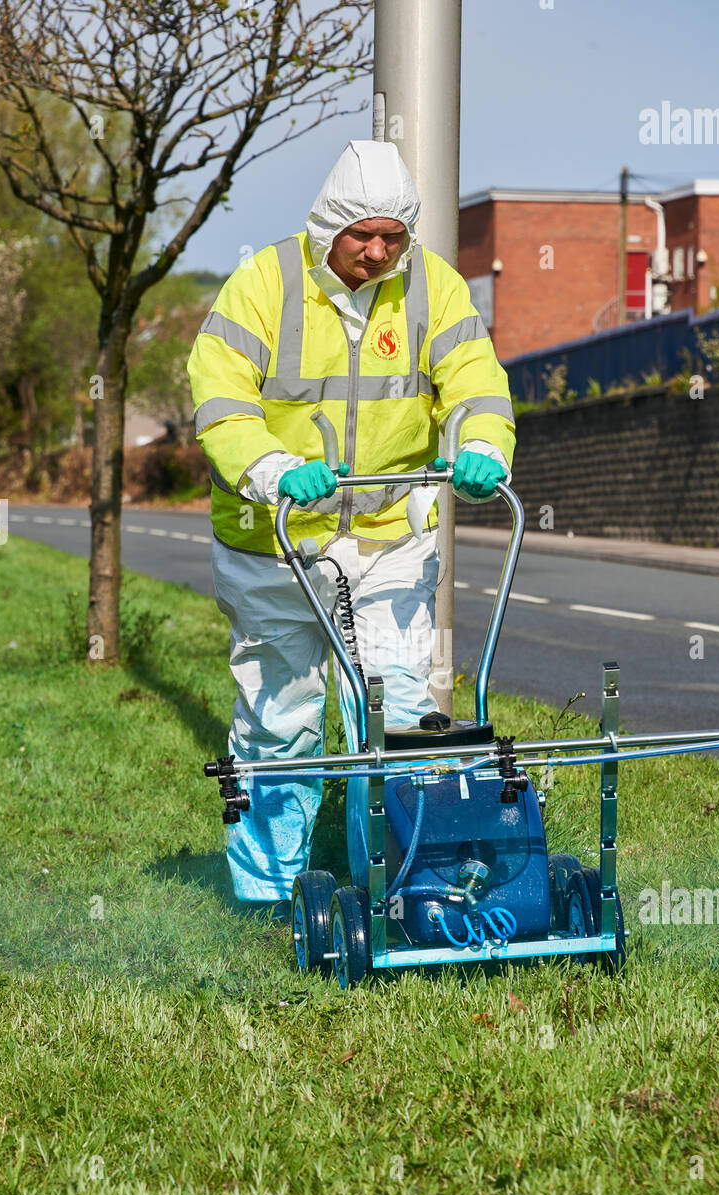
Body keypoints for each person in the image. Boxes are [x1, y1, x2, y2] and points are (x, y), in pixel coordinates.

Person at [186, 139, 516, 918]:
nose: (377, 252)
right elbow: (220, 398)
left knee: (398, 710)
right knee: (278, 720)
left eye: (392, 237)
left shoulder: (433, 288)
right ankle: (269, 893)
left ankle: (412, 885)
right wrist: (270, 466)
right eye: (362, 236)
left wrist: (477, 446)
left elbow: (474, 380)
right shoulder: (261, 284)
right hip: (276, 540)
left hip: (387, 535)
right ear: (326, 226)